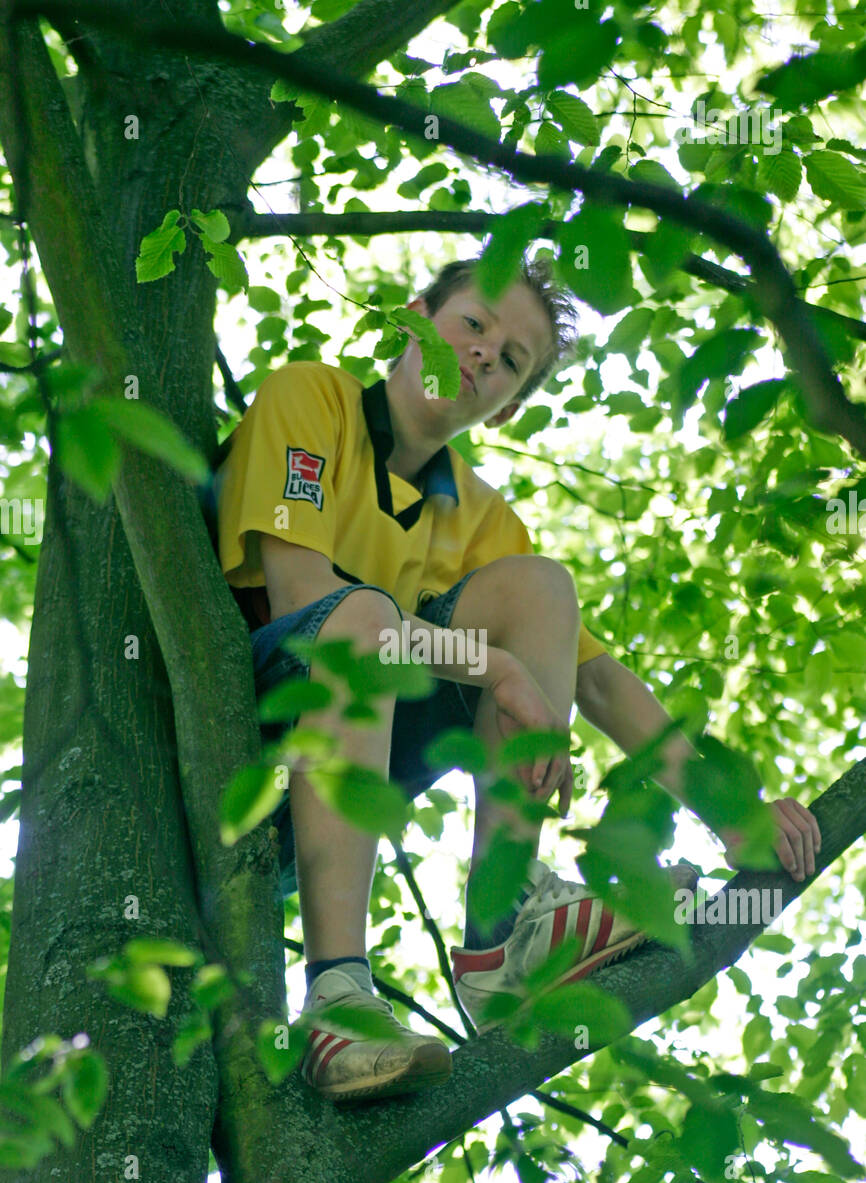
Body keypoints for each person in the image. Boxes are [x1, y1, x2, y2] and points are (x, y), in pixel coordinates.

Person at [212, 256, 821, 1102]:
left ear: (508, 406)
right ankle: (337, 996)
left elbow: (597, 684)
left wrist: (735, 815)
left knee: (540, 590)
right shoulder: (311, 397)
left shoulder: (480, 516)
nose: (482, 355)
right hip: (232, 750)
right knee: (359, 618)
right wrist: (493, 667)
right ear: (415, 317)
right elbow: (303, 595)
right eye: (473, 325)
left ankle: (506, 939)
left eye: (510, 361)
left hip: (336, 788)